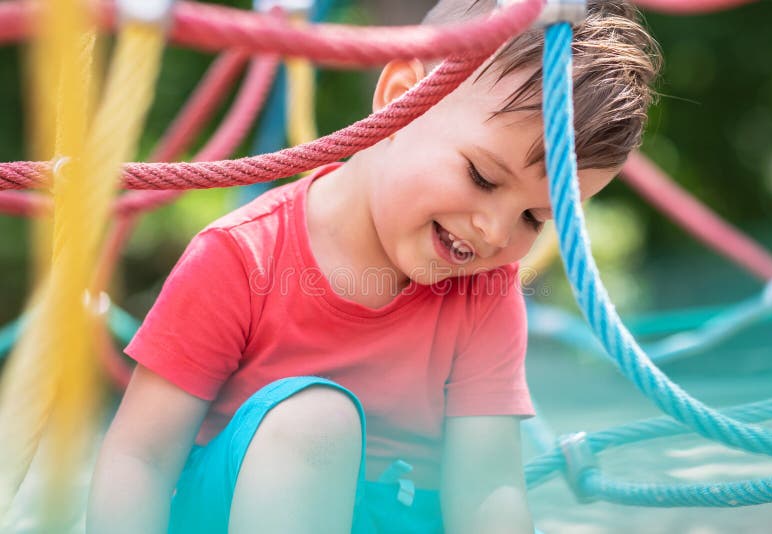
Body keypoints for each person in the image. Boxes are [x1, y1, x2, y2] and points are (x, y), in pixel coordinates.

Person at [87, 1, 660, 532]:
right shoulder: (241, 256)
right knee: (317, 418)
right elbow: (140, 458)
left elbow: (487, 486)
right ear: (399, 100)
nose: (495, 231)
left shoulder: (487, 291)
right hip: (231, 511)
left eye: (536, 218)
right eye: (482, 178)